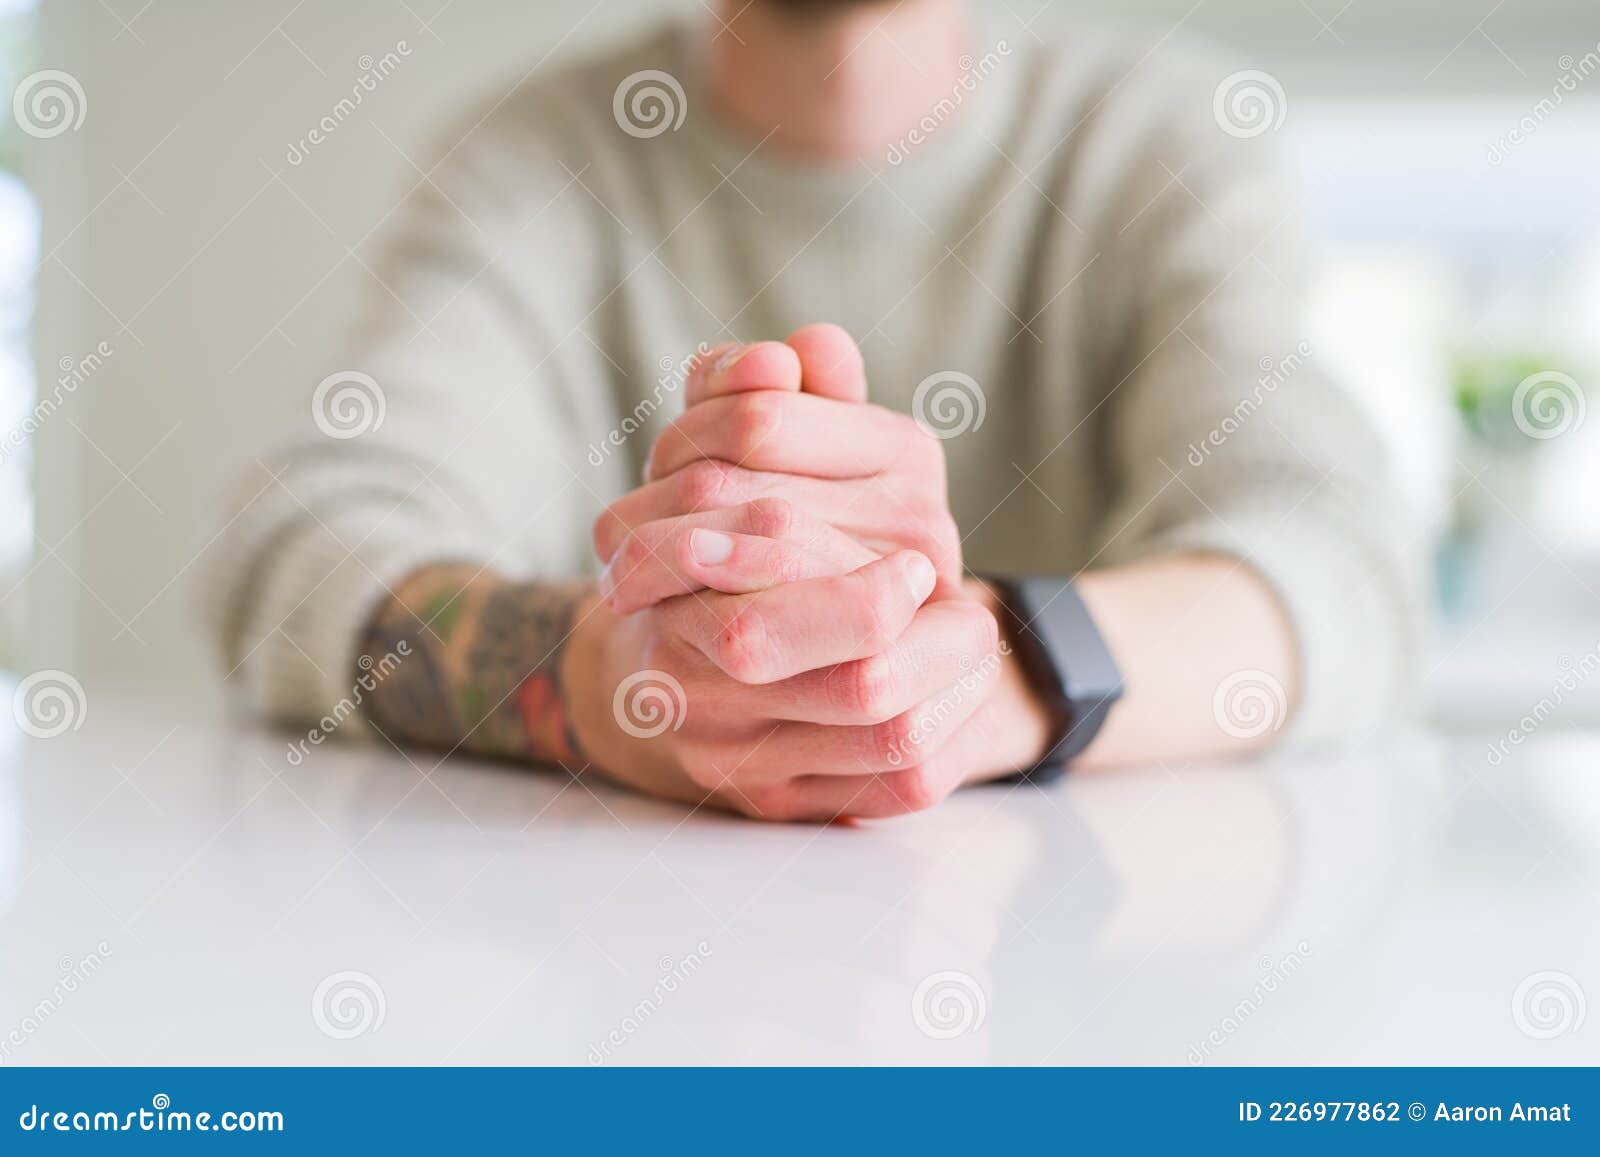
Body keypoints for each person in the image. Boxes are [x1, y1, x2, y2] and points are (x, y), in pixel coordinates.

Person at [205, 0, 1418, 821]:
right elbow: (295, 556)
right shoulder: (529, 161)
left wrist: (984, 671)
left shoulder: (1161, 138)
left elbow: (1338, 559)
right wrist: (614, 685)